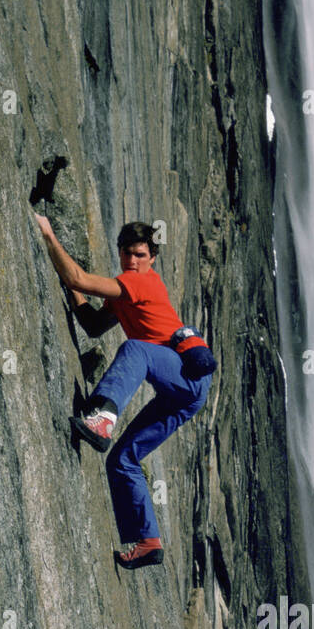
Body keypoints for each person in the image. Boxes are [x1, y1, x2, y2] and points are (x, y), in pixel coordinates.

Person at [33, 215, 215, 569]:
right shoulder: (125, 292)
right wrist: (71, 287)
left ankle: (103, 419)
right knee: (122, 460)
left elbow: (78, 277)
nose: (132, 261)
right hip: (185, 396)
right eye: (127, 254)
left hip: (186, 375)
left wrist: (48, 235)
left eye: (140, 255)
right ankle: (148, 541)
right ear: (119, 252)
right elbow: (93, 326)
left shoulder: (143, 284)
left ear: (152, 258)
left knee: (136, 350)